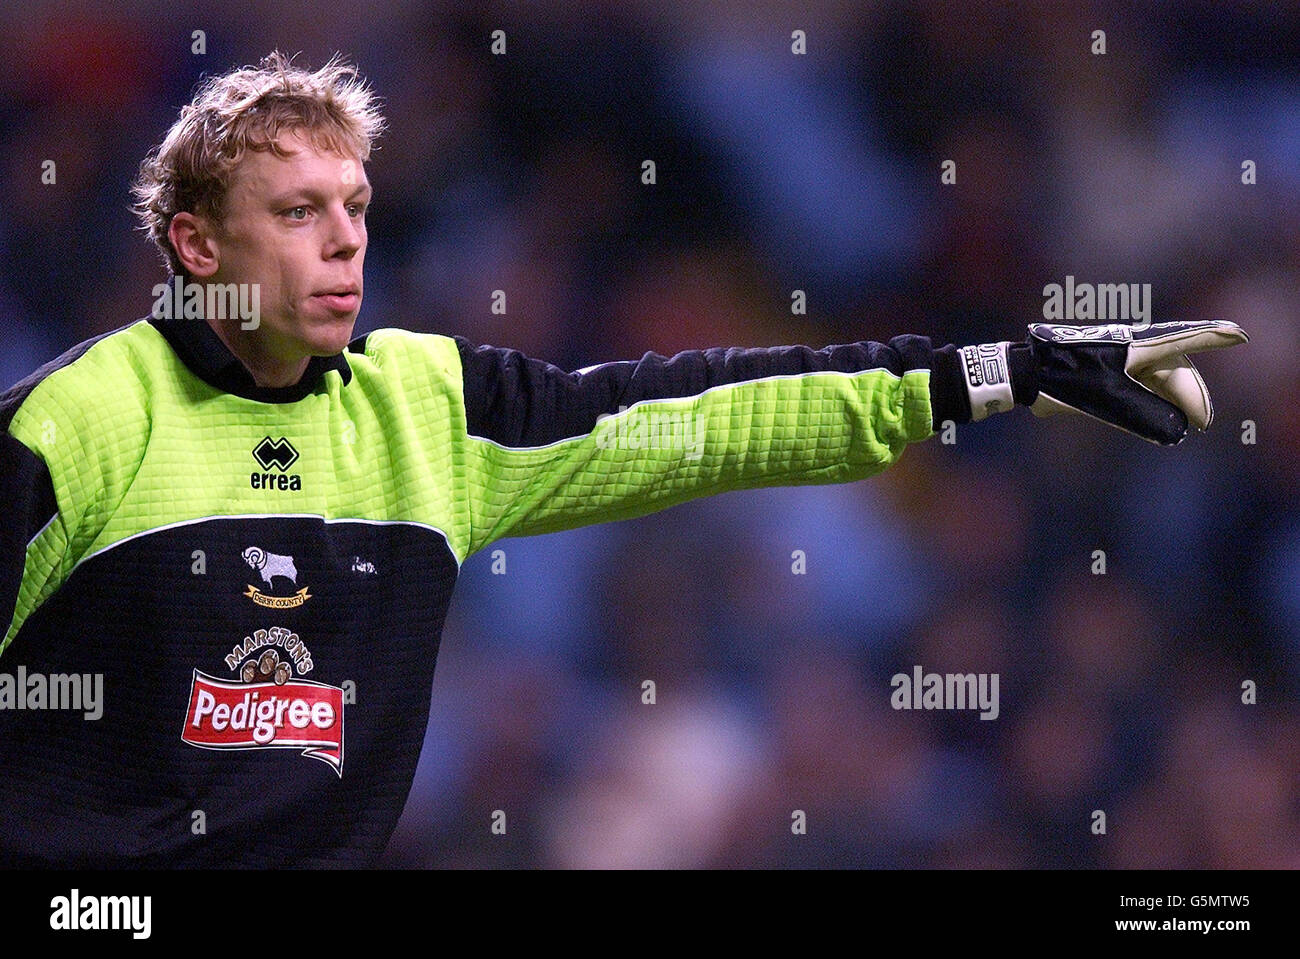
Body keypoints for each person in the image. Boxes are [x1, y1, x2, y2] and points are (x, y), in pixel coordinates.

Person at [0, 52, 1246, 867]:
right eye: (295, 213)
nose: (342, 244)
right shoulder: (82, 424)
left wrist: (1002, 369)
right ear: (196, 247)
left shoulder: (429, 410)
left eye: (356, 208)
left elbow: (714, 413)